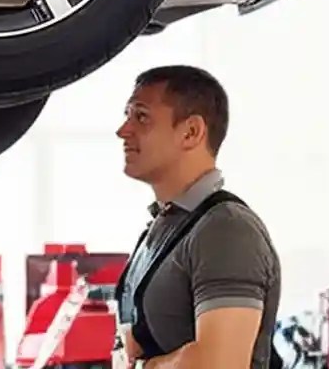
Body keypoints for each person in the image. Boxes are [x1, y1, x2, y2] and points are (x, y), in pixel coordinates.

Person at [111, 65, 282, 369]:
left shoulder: (226, 229)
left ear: (191, 132)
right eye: (127, 115)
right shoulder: (162, 228)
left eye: (141, 117)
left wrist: (144, 366)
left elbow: (221, 364)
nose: (123, 130)